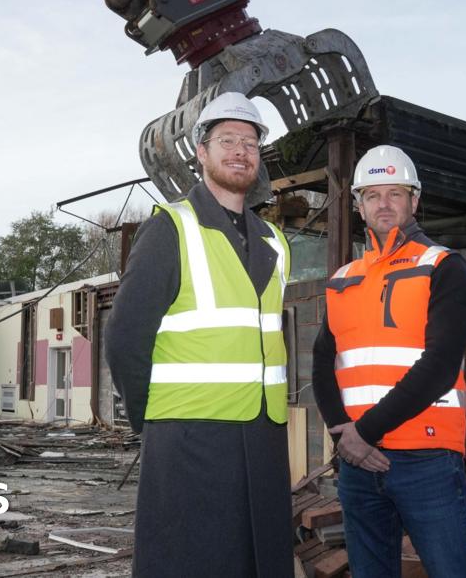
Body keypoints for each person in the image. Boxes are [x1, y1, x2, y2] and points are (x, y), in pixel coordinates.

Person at [105, 92, 293, 578]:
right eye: (227, 139)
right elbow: (125, 338)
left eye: (250, 142)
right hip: (190, 439)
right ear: (201, 153)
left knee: (259, 562)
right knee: (191, 562)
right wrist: (155, 421)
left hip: (263, 435)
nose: (240, 150)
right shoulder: (172, 228)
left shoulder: (274, 241)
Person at [312, 144, 466, 577]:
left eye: (395, 194)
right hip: (356, 465)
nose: (384, 204)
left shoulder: (444, 266)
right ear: (359, 207)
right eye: (373, 195)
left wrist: (362, 433)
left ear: (414, 201)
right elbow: (321, 365)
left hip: (427, 458)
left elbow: (440, 366)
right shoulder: (342, 280)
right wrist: (342, 434)